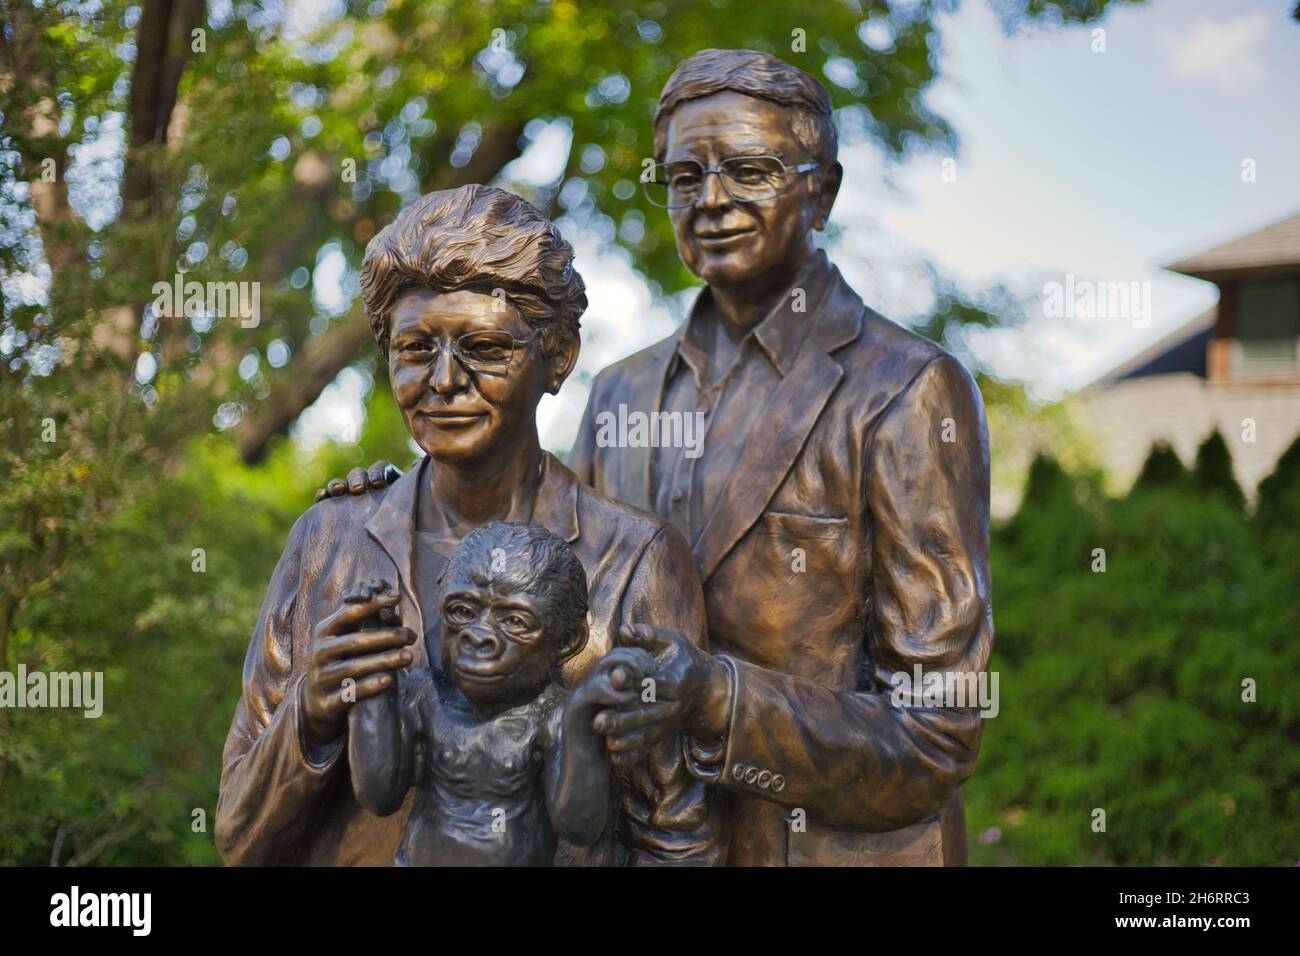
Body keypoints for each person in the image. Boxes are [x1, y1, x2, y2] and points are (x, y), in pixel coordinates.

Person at [327, 49, 994, 867]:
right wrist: (393, 499)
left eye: (749, 170)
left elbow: (937, 730)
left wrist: (716, 698)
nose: (711, 200)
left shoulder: (908, 390)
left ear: (822, 189)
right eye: (684, 177)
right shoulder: (620, 393)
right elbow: (531, 576)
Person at [216, 184, 719, 866]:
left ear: (559, 356)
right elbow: (239, 839)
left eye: (484, 348)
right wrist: (311, 710)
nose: (443, 381)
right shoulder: (330, 540)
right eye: (416, 348)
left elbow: (676, 840)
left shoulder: (635, 560)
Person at [348, 523, 657, 866]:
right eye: (462, 612)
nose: (479, 637)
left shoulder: (553, 715)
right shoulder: (426, 694)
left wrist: (583, 719)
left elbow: (579, 826)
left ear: (568, 641)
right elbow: (378, 794)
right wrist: (373, 672)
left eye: (514, 621)